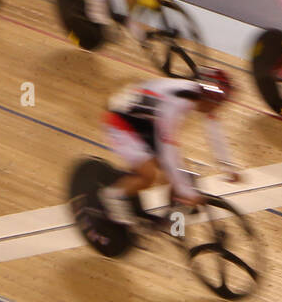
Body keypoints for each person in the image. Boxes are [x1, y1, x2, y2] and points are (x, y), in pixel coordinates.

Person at [98, 68, 237, 227]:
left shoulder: (199, 95)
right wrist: (186, 192)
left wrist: (228, 168)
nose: (218, 108)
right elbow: (168, 149)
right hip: (120, 121)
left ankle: (172, 226)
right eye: (217, 104)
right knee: (148, 176)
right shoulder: (176, 103)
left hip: (145, 121)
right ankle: (113, 196)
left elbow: (214, 132)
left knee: (178, 173)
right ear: (208, 99)